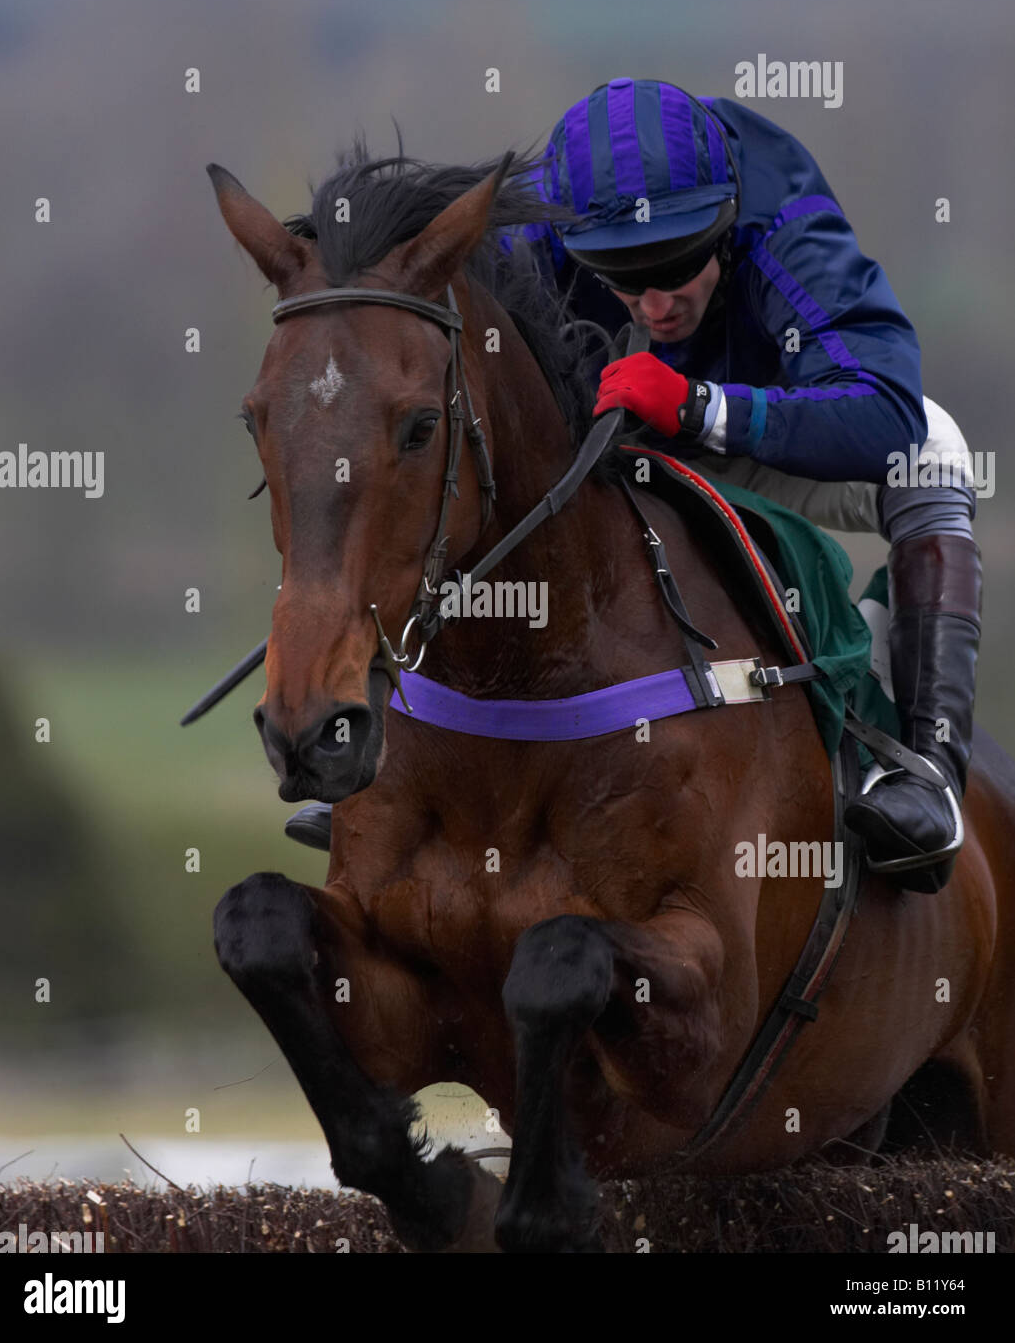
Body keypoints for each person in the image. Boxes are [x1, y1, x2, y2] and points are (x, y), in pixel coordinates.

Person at [288, 78, 981, 895]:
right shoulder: (540, 228)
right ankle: (402, 759)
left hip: (774, 429)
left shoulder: (784, 219)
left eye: (678, 269)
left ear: (725, 224)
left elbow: (886, 413)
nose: (654, 303)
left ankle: (927, 773)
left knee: (934, 449)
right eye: (621, 276)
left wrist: (701, 406)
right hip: (622, 442)